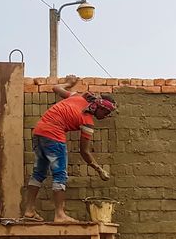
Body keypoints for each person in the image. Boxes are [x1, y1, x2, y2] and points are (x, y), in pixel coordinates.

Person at [21, 75, 115, 223]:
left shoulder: (77, 97)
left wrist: (68, 84)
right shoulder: (87, 122)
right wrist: (99, 169)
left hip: (39, 132)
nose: (106, 116)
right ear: (101, 107)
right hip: (54, 136)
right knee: (60, 175)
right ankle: (60, 215)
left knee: (38, 173)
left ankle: (29, 211)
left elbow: (56, 88)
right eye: (106, 113)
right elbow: (84, 152)